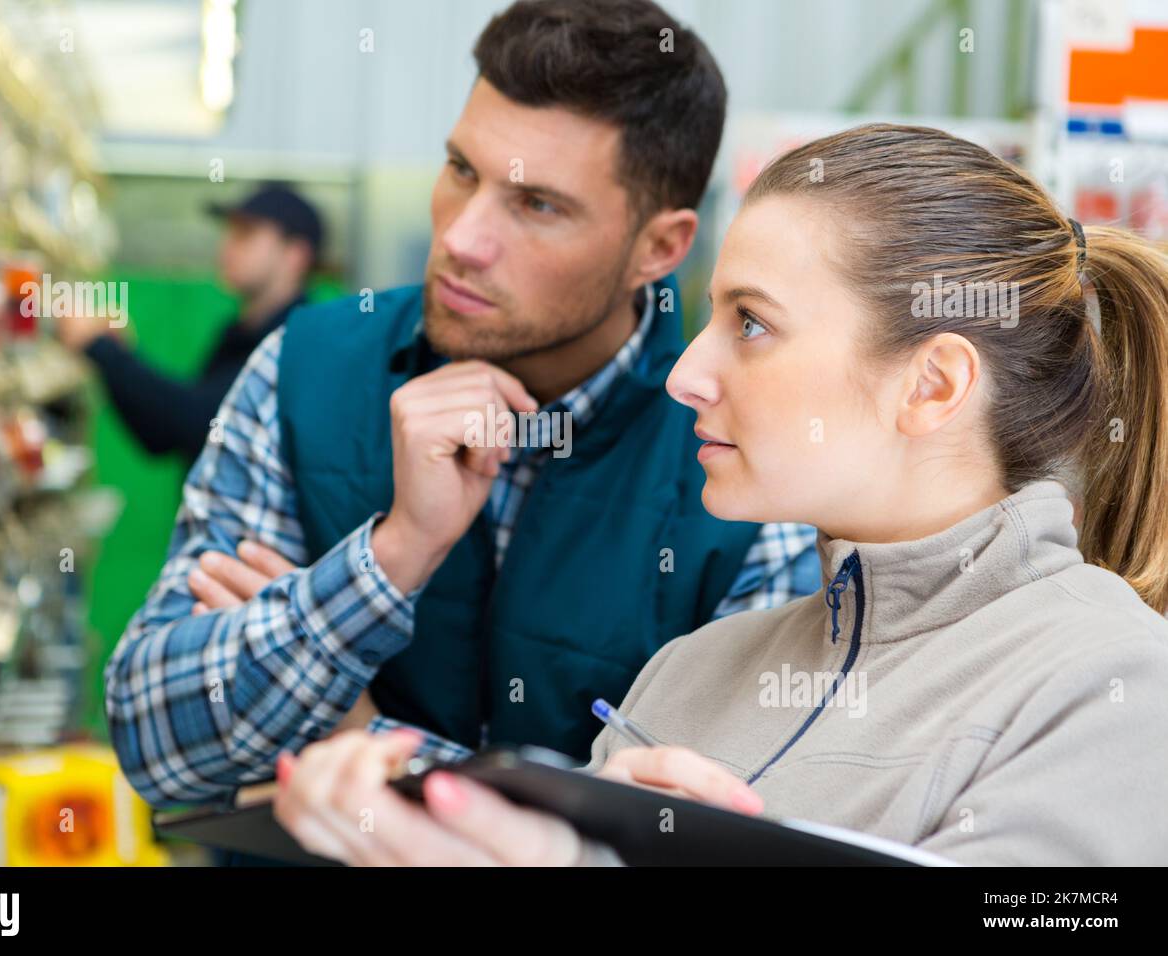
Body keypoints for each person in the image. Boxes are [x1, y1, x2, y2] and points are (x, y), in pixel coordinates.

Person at [270, 123, 1168, 866]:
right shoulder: (686, 676)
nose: (688, 376)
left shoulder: (1112, 688)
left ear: (931, 385)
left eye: (751, 323)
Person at [104, 0, 821, 809]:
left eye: (537, 205)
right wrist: (393, 555)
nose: (461, 239)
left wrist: (363, 737)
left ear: (658, 248)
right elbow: (153, 740)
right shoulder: (307, 369)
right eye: (461, 171)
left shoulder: (741, 466)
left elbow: (716, 830)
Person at [58, 183, 324, 463]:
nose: (227, 247)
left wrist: (100, 347)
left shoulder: (296, 344)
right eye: (229, 233)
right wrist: (113, 351)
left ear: (295, 255)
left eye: (245, 234)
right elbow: (161, 434)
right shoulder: (240, 334)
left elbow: (198, 423)